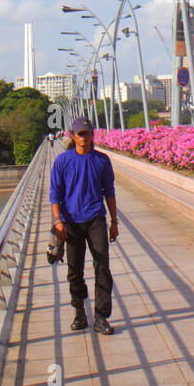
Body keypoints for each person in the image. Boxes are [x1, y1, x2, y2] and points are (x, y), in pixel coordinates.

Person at [49, 117, 118, 334]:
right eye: (80, 134)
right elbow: (55, 194)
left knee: (102, 268)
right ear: (73, 135)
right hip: (71, 223)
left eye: (87, 134)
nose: (84, 138)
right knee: (74, 271)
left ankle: (101, 317)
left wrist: (114, 222)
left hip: (96, 220)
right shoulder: (62, 161)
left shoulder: (102, 160)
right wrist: (58, 221)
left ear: (91, 136)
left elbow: (109, 192)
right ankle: (80, 312)